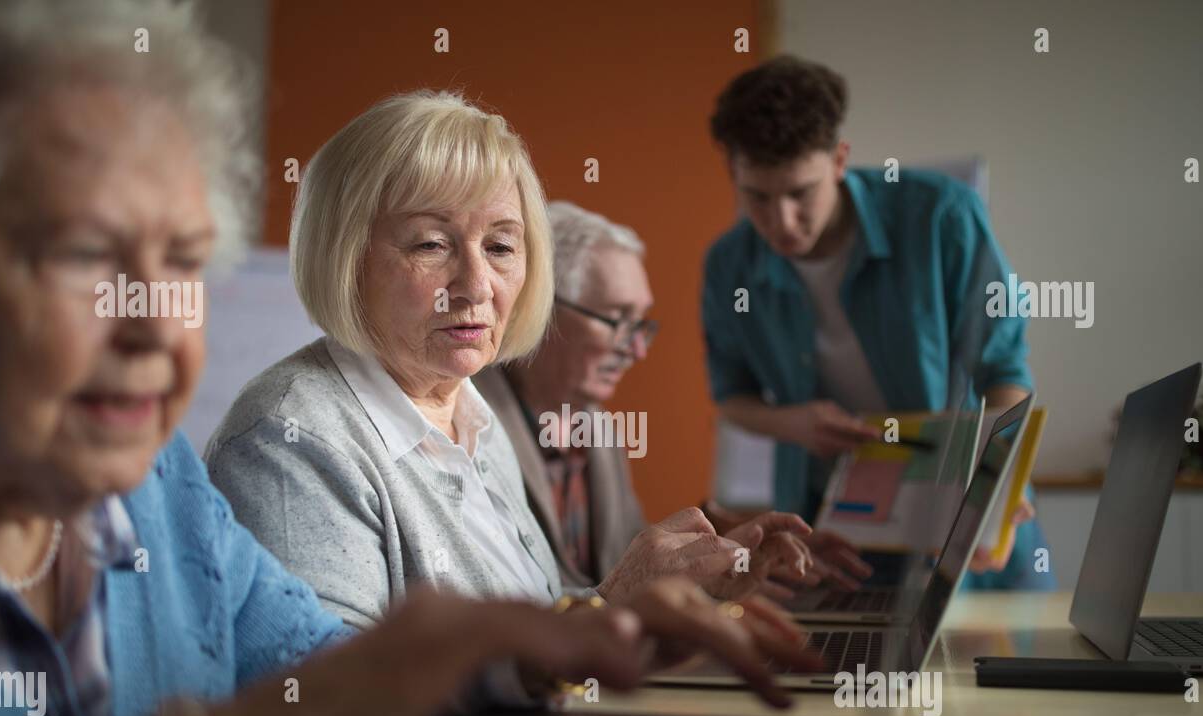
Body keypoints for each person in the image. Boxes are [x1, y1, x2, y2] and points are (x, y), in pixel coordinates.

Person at [0, 0, 815, 716]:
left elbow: (340, 680)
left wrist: (569, 640)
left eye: (182, 261)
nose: (158, 325)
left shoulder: (158, 486)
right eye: (84, 255)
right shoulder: (286, 435)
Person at [205, 91, 820, 677]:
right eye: (431, 243)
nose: (476, 285)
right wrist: (612, 607)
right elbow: (333, 705)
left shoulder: (470, 413)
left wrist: (676, 591)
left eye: (501, 247)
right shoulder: (289, 439)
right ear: (344, 255)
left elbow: (535, 618)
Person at [700, 56, 1053, 589]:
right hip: (833, 530)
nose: (782, 222)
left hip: (958, 503)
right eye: (757, 197)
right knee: (851, 666)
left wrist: (999, 478)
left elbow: (1003, 367)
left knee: (1001, 663)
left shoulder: (941, 216)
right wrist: (793, 422)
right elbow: (733, 397)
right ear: (733, 175)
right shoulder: (729, 264)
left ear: (840, 160)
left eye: (800, 193)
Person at [475, 200, 873, 595]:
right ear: (540, 308)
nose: (637, 350)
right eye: (617, 320)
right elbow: (499, 608)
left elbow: (623, 562)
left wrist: (730, 547)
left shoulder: (596, 424)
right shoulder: (464, 425)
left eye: (641, 323)